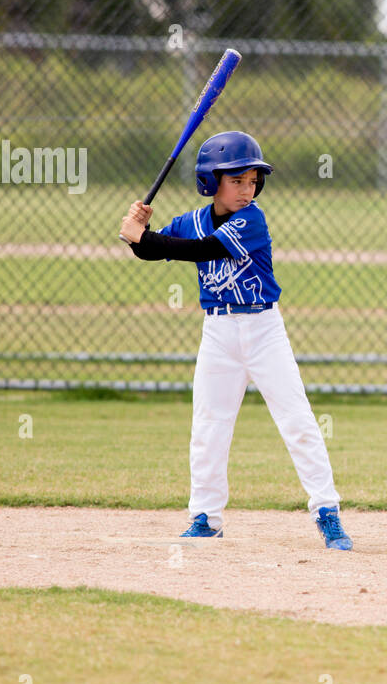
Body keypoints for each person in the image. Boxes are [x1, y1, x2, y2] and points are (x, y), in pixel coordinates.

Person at [119, 130, 352, 550]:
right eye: (237, 180)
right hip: (218, 334)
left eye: (252, 181)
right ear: (210, 181)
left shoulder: (252, 220)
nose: (248, 190)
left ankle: (326, 511)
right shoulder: (191, 220)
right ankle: (205, 517)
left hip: (264, 331)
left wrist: (144, 237)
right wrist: (139, 229)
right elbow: (153, 250)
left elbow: (203, 251)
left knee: (297, 421)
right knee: (209, 425)